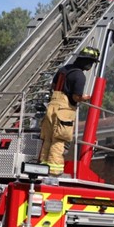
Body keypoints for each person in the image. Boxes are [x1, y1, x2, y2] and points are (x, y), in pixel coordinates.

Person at [38, 46, 100, 176]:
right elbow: (75, 97)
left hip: (51, 107)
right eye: (92, 63)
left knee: (48, 139)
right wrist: (86, 98)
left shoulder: (63, 70)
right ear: (88, 62)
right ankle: (54, 173)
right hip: (65, 110)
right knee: (59, 140)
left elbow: (54, 86)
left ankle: (41, 169)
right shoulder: (79, 76)